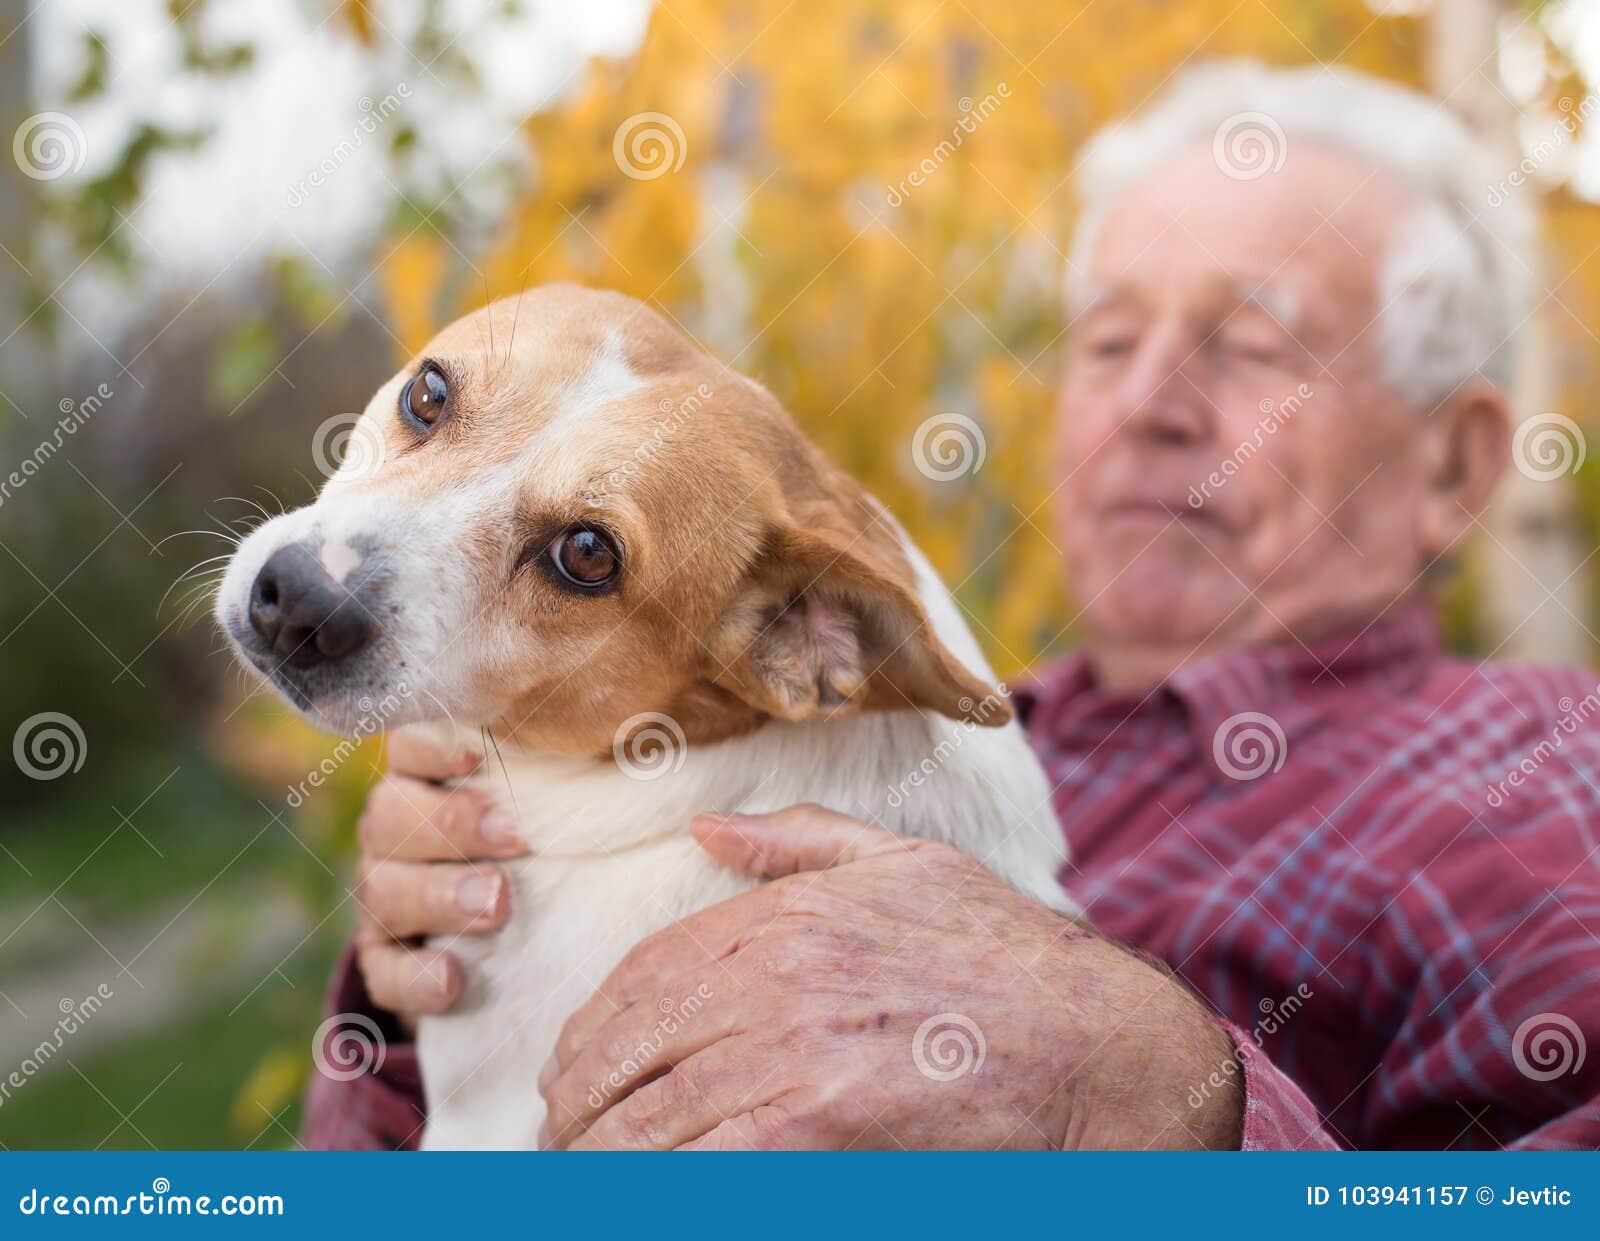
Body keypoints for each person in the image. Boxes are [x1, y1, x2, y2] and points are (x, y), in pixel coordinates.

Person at [305, 62, 1600, 1150]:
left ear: (1455, 463)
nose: (1147, 404)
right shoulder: (827, 709)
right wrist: (437, 965)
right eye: (1104, 339)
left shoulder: (1542, 780)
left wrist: (1167, 1102)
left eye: (1250, 345)